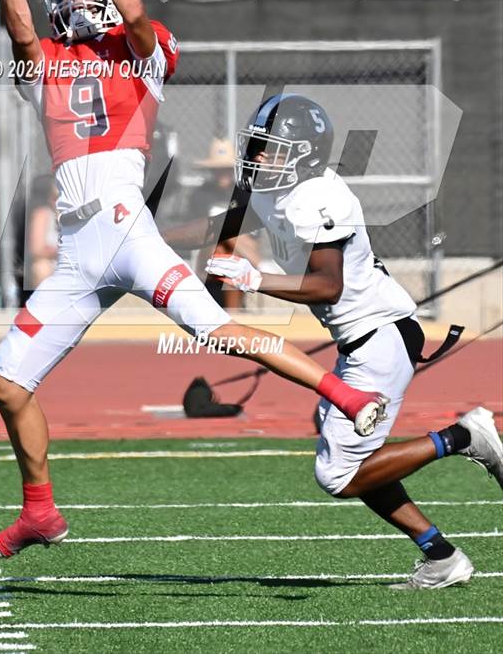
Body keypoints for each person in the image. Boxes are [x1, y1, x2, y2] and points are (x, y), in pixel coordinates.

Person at [0, 0, 389, 560]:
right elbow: (20, 29)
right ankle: (39, 509)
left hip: (125, 229)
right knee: (5, 382)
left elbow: (138, 17)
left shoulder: (143, 54)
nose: (79, 5)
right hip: (78, 250)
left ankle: (347, 396)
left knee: (223, 332)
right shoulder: (46, 63)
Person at [189, 93, 502, 589]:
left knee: (338, 474)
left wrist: (254, 278)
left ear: (305, 153)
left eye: (272, 148)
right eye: (259, 145)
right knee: (355, 461)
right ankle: (440, 556)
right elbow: (222, 223)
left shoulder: (321, 196)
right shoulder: (270, 184)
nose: (258, 157)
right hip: (363, 337)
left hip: (379, 336)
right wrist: (147, 238)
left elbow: (326, 285)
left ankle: (463, 437)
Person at [190, 138, 260, 310]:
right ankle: (230, 314)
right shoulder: (200, 196)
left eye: (226, 170)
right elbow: (197, 234)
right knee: (219, 246)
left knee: (227, 248)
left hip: (240, 251)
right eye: (218, 170)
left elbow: (253, 239)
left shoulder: (244, 195)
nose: (223, 175)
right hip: (209, 253)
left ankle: (232, 313)